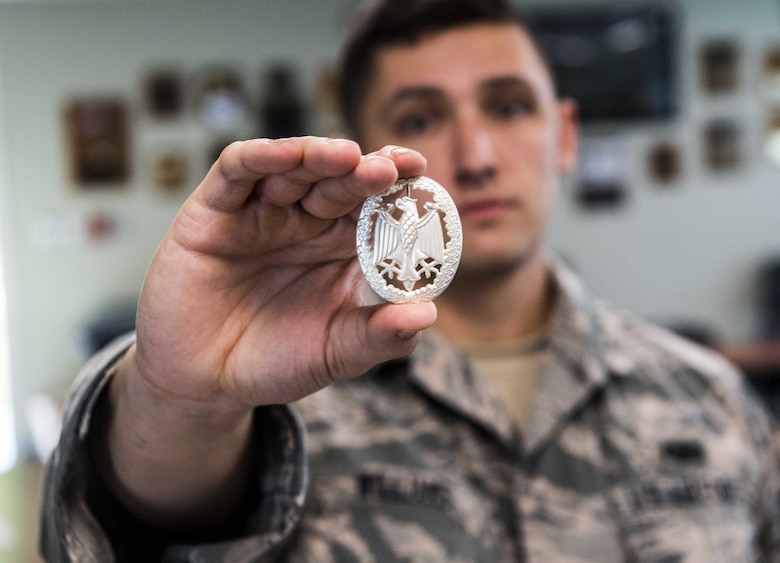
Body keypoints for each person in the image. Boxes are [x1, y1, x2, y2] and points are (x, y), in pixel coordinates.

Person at [40, 0, 780, 561]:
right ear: (371, 152)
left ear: (565, 135)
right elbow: (139, 522)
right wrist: (177, 401)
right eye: (421, 117)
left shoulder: (712, 398)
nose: (478, 153)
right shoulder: (280, 393)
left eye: (510, 106)